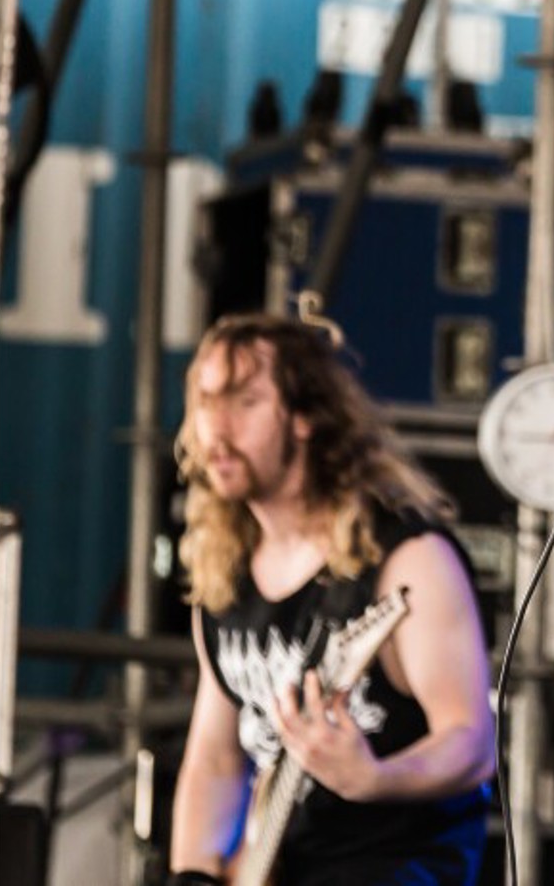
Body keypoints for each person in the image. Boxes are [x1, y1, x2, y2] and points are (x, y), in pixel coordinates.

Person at [167, 314, 495, 886]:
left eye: (244, 402)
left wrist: (373, 777)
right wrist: (194, 872)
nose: (215, 430)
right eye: (204, 402)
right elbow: (216, 759)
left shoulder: (405, 562)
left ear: (306, 418)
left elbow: (471, 743)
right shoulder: (226, 576)